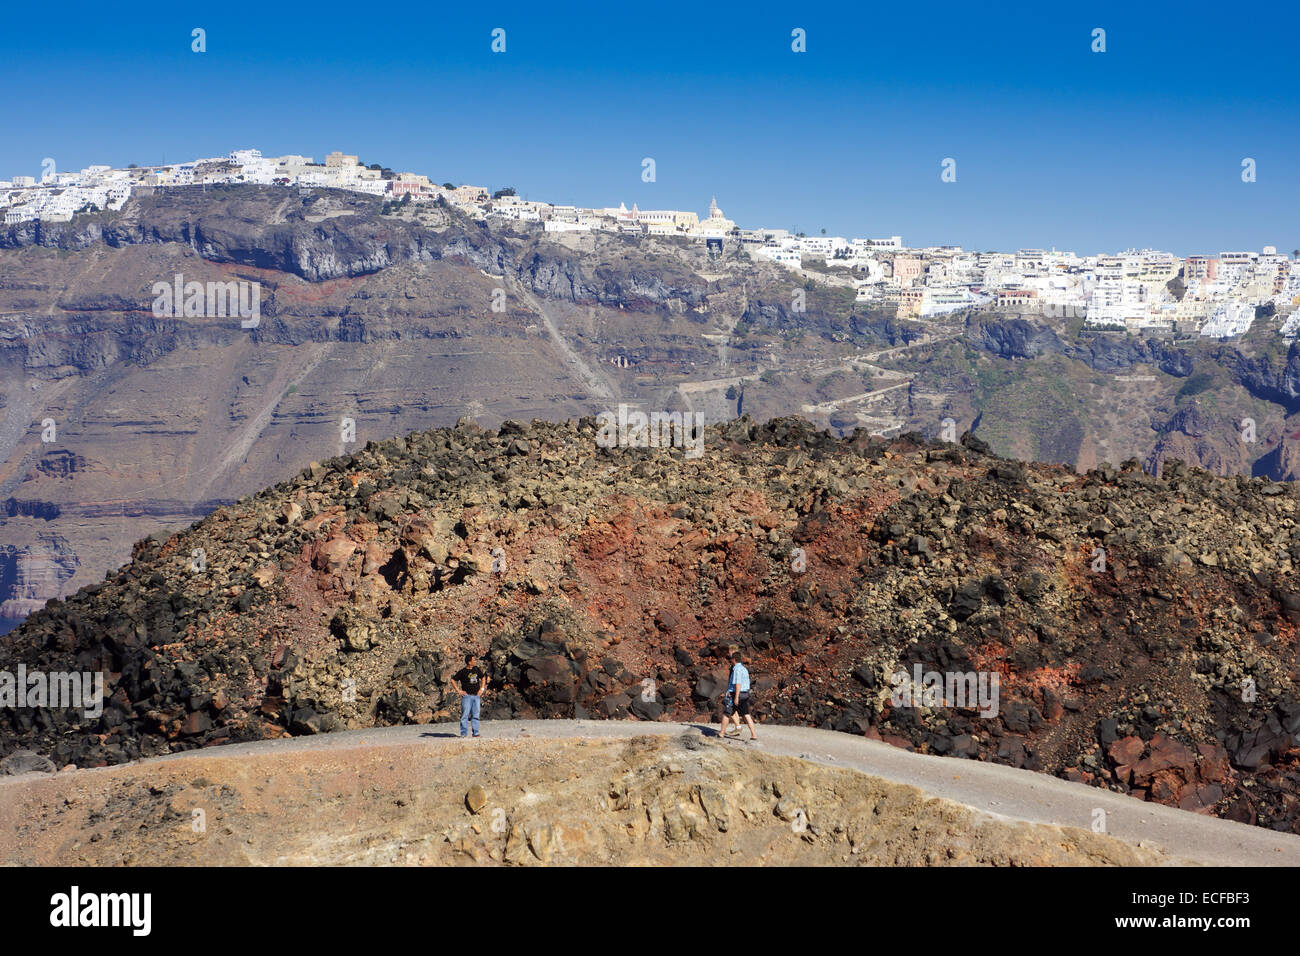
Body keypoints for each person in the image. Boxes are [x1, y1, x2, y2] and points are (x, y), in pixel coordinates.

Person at [719, 651, 757, 741]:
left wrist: (736, 697)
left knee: (726, 713)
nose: (730, 661)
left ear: (734, 659)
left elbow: (738, 684)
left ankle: (721, 733)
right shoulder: (744, 669)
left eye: (731, 659)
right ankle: (753, 734)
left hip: (736, 694)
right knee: (746, 714)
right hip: (745, 694)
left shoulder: (737, 669)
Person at [453, 652, 487, 738]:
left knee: (476, 714)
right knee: (465, 715)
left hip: (476, 696)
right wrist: (458, 691)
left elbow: (483, 677)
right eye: (474, 660)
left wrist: (482, 689)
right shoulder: (463, 672)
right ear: (469, 662)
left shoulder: (476, 669)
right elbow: (453, 680)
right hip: (466, 696)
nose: (475, 661)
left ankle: (475, 733)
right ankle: (464, 733)